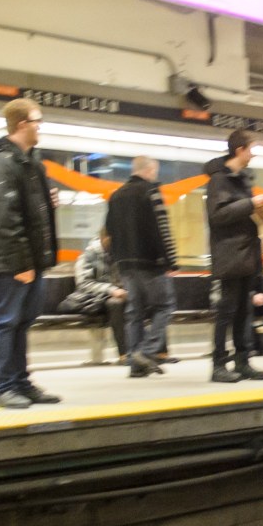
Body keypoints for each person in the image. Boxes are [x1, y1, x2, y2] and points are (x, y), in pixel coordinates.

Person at [0, 98, 59, 408]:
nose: (40, 127)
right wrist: (21, 263)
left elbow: (25, 211)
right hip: (8, 260)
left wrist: (47, 204)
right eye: (38, 121)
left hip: (30, 260)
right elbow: (2, 218)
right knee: (5, 322)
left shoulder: (31, 164)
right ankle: (4, 387)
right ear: (22, 124)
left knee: (22, 322)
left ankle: (21, 382)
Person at [205, 130, 263, 383]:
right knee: (226, 311)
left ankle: (243, 361)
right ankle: (218, 364)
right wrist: (252, 204)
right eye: (252, 149)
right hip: (229, 254)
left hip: (247, 253)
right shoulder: (219, 181)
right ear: (240, 150)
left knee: (245, 310)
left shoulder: (241, 180)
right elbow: (217, 215)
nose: (253, 154)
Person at [104, 155, 177, 377]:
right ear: (149, 169)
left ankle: (136, 364)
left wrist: (117, 259)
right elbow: (161, 228)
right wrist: (170, 259)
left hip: (125, 264)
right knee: (164, 306)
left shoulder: (115, 196)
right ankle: (145, 352)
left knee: (134, 312)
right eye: (155, 170)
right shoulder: (151, 192)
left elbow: (109, 232)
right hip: (150, 262)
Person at [63, 231, 130, 362]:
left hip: (117, 297)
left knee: (151, 301)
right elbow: (84, 283)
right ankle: (125, 355)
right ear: (104, 238)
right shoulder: (88, 256)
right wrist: (111, 290)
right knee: (115, 304)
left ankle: (153, 351)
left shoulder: (120, 254)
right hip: (95, 299)